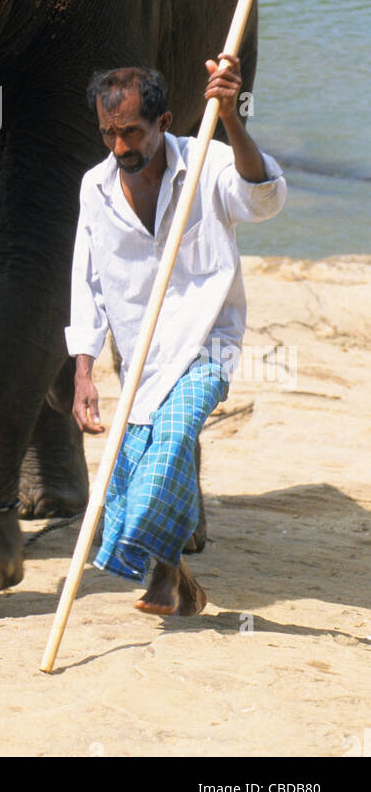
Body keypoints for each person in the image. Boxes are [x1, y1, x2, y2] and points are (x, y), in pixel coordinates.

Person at [65, 55, 287, 615]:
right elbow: (87, 284)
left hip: (209, 340)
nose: (119, 148)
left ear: (164, 121)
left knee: (175, 429)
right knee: (140, 453)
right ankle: (175, 582)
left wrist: (232, 117)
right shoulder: (95, 188)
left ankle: (147, 561)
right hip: (142, 353)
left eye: (132, 132)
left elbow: (265, 200)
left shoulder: (208, 161)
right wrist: (84, 371)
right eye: (109, 134)